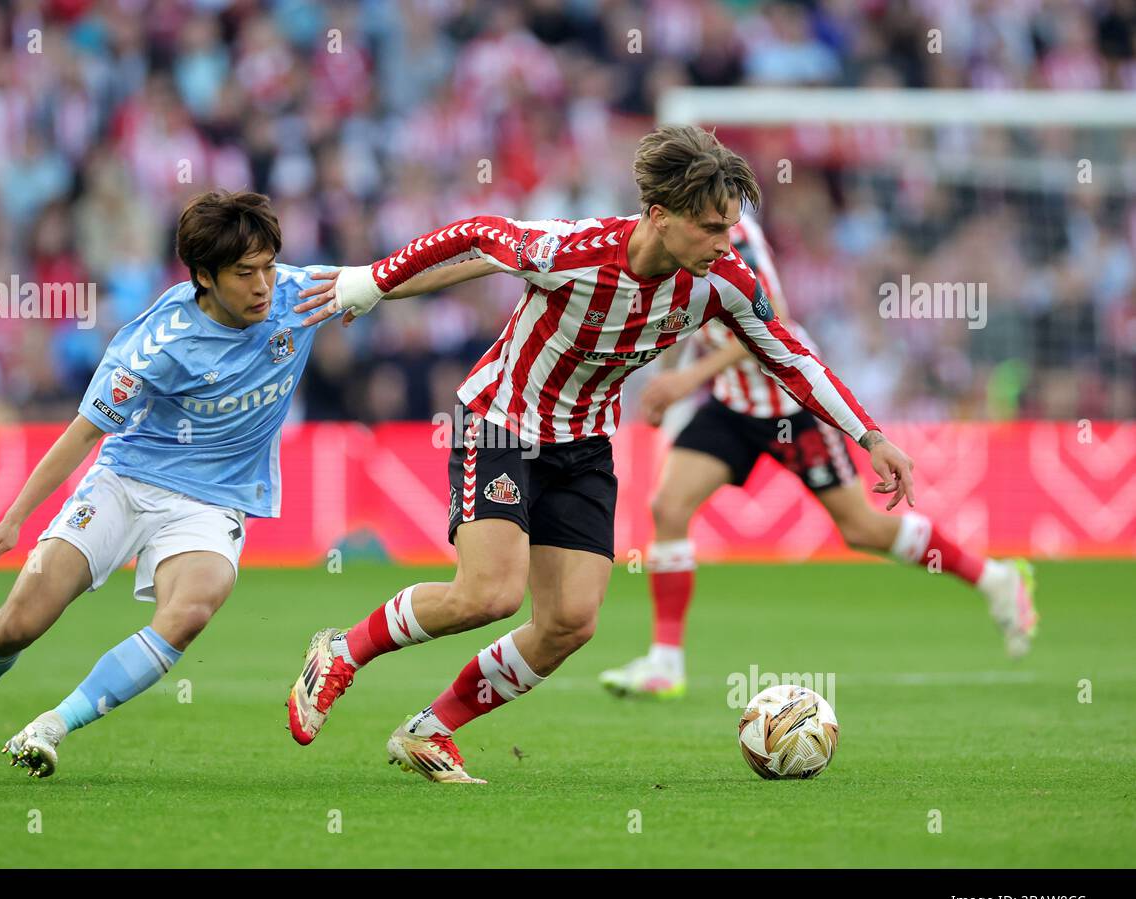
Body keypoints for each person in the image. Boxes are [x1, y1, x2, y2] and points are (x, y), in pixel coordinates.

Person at [285, 125, 914, 784]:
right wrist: (372, 280)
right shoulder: (573, 250)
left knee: (570, 621)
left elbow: (793, 357)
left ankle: (431, 729)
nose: (724, 243)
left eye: (729, 227)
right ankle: (342, 650)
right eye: (709, 227)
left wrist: (869, 435)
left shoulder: (721, 281)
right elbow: (475, 233)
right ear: (659, 215)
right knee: (490, 594)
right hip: (502, 423)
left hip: (583, 443)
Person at [0, 190, 342, 779]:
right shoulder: (157, 344)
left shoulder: (301, 294)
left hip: (213, 503)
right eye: (246, 273)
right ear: (205, 277)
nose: (264, 284)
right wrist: (13, 519)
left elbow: (396, 276)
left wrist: (499, 250)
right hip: (128, 481)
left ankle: (52, 725)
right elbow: (83, 435)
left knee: (189, 611)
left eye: (267, 265)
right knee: (19, 624)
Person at [599, 214, 1038, 700]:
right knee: (669, 508)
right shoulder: (671, 242)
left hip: (791, 404)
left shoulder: (736, 243)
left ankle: (994, 577)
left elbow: (774, 324)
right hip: (732, 405)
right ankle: (665, 663)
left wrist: (688, 379)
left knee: (861, 529)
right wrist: (673, 384)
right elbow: (676, 322)